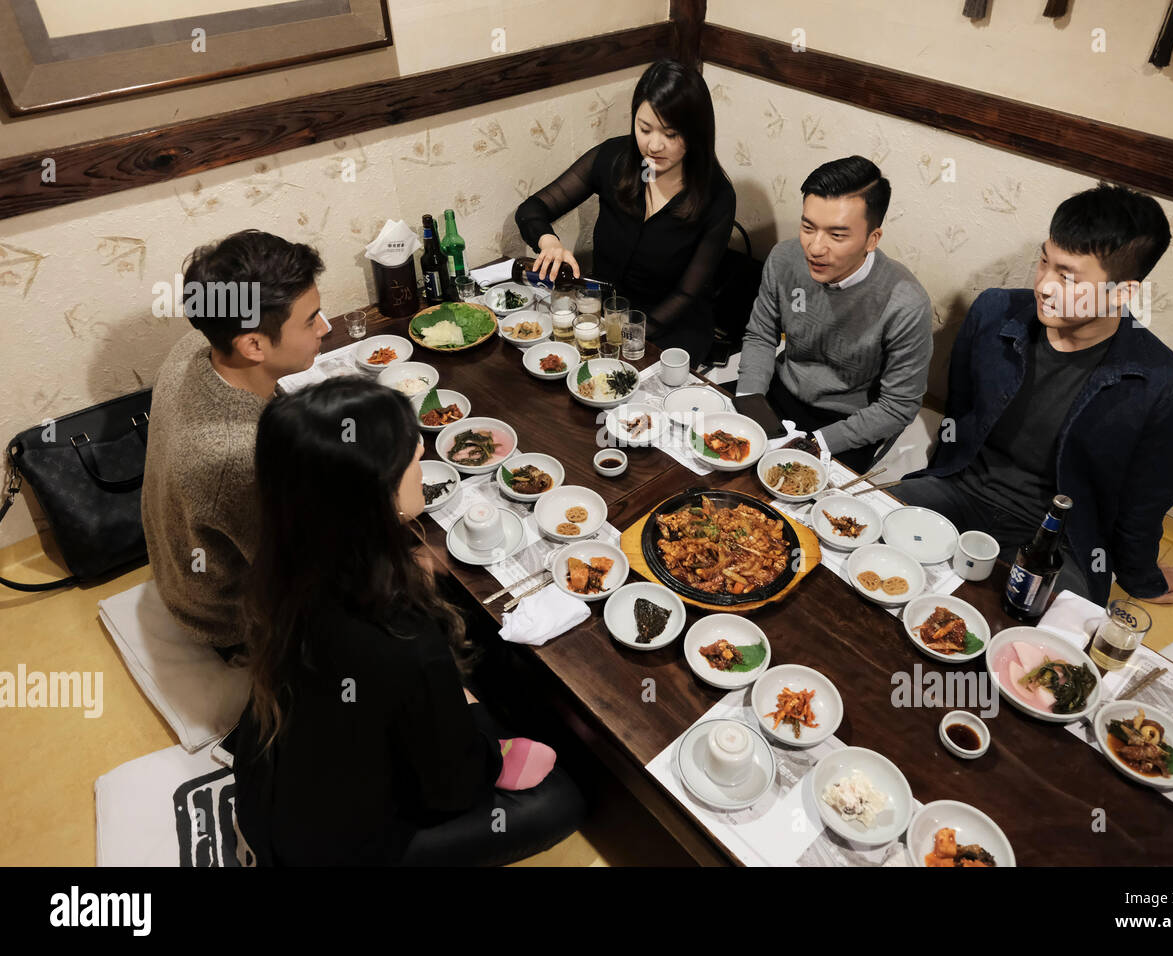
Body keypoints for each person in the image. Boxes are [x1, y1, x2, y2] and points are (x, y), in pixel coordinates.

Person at [232, 377, 585, 865]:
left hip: (268, 785)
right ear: (375, 493)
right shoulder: (399, 637)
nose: (421, 455)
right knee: (562, 800)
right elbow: (452, 791)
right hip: (328, 849)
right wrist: (479, 731)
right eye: (411, 455)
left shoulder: (283, 565)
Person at [894, 183, 1173, 606]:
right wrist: (937, 476)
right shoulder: (995, 311)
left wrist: (1140, 577)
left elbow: (1143, 503)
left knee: (1043, 644)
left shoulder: (1164, 383)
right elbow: (959, 412)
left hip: (1060, 537)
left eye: (1068, 276)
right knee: (866, 530)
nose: (1045, 286)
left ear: (1123, 292)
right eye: (1044, 262)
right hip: (959, 491)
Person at [141, 230, 328, 656]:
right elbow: (307, 571)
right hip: (229, 622)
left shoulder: (197, 344)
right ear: (253, 345)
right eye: (311, 318)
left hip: (187, 557)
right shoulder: (239, 458)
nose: (323, 327)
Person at [515, 59, 736, 365]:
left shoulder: (716, 197)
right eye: (644, 129)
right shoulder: (614, 159)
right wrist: (548, 242)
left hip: (671, 327)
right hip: (604, 315)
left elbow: (686, 296)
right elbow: (532, 209)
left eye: (670, 134)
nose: (654, 145)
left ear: (696, 133)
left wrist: (623, 334)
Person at [736, 156, 933, 474]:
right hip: (779, 392)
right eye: (807, 227)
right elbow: (760, 334)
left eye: (837, 235)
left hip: (848, 422)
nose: (815, 247)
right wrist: (749, 400)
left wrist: (813, 444)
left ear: (873, 239)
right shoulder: (785, 259)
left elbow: (898, 406)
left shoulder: (906, 302)